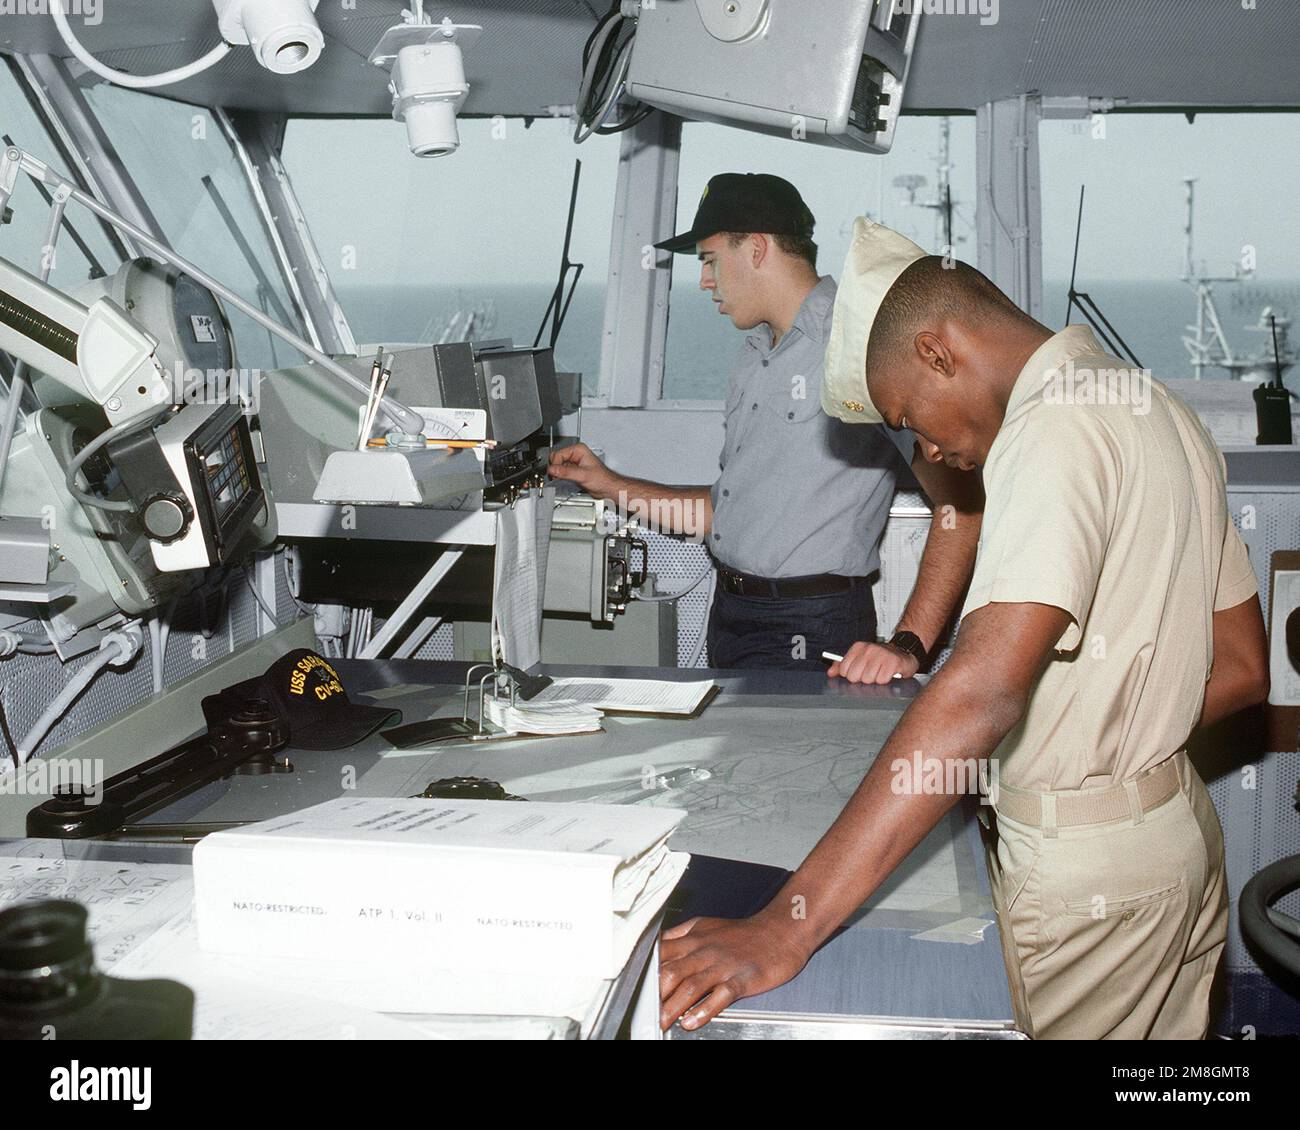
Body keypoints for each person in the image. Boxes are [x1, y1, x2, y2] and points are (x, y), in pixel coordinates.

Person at [657, 217, 1270, 1039]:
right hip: (1175, 843)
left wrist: (786, 924)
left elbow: (982, 688)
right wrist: (1113, 748)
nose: (932, 451)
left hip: (1085, 879)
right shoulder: (1158, 407)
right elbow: (1240, 668)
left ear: (939, 351)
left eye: (911, 414)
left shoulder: (1051, 429)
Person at [549, 174, 982, 678]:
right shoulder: (754, 355)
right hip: (730, 613)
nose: (705, 280)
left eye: (709, 260)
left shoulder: (857, 345)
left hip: (811, 619)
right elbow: (723, 512)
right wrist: (607, 483)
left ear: (756, 248)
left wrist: (909, 644)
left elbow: (962, 501)